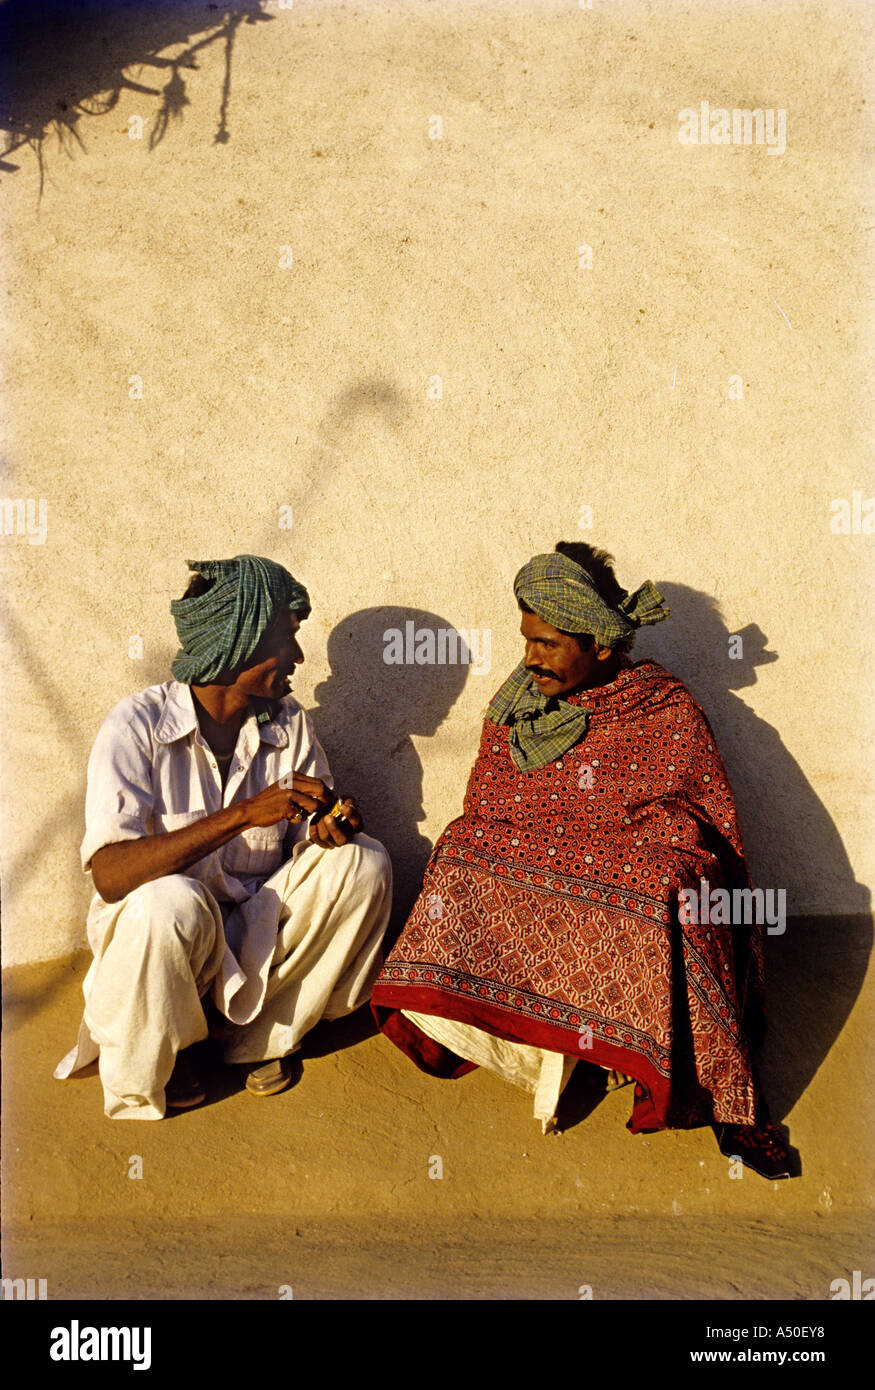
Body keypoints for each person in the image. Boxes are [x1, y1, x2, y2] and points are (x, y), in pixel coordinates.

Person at [371, 542, 791, 1178]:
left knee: (661, 886)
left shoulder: (662, 707)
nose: (530, 658)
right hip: (548, 863)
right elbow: (489, 807)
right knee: (461, 848)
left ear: (599, 643)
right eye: (526, 640)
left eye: (547, 643)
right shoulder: (521, 707)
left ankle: (693, 1083)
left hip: (628, 860)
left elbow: (702, 829)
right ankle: (516, 1027)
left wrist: (628, 841)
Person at [55, 554, 392, 1120]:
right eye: (289, 639)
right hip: (163, 941)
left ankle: (254, 1040)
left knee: (364, 862)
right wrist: (240, 816)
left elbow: (304, 837)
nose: (300, 658)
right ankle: (175, 1046)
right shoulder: (135, 726)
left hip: (250, 932)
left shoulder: (289, 723)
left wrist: (325, 829)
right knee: (170, 902)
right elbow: (112, 876)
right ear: (240, 643)